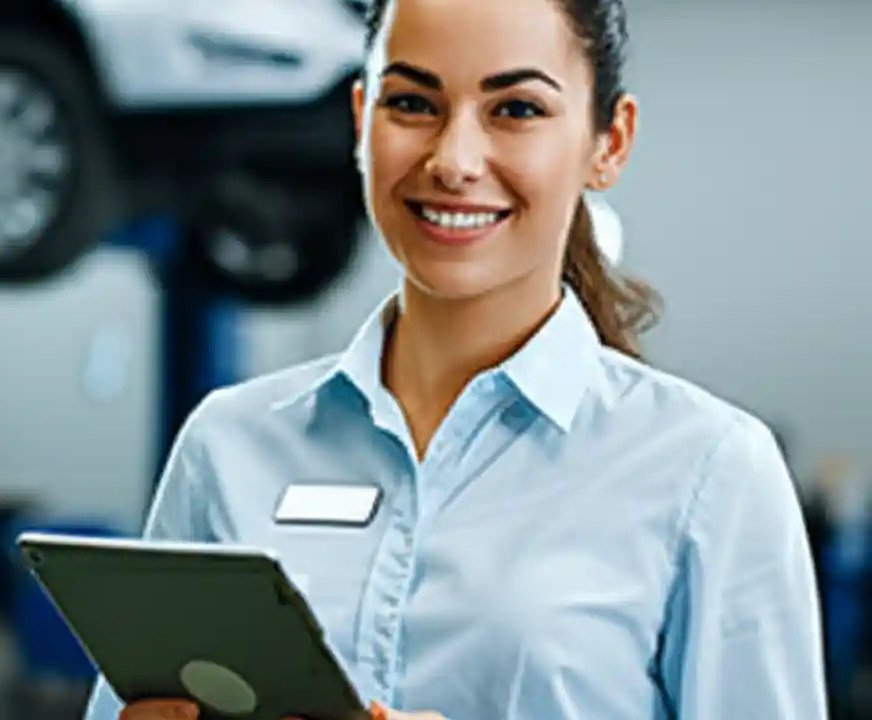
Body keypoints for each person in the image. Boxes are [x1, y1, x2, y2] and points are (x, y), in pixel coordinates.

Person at [82, 0, 827, 717]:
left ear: (610, 142)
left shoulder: (708, 472)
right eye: (410, 103)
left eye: (517, 110)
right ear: (358, 119)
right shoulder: (229, 444)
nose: (454, 160)